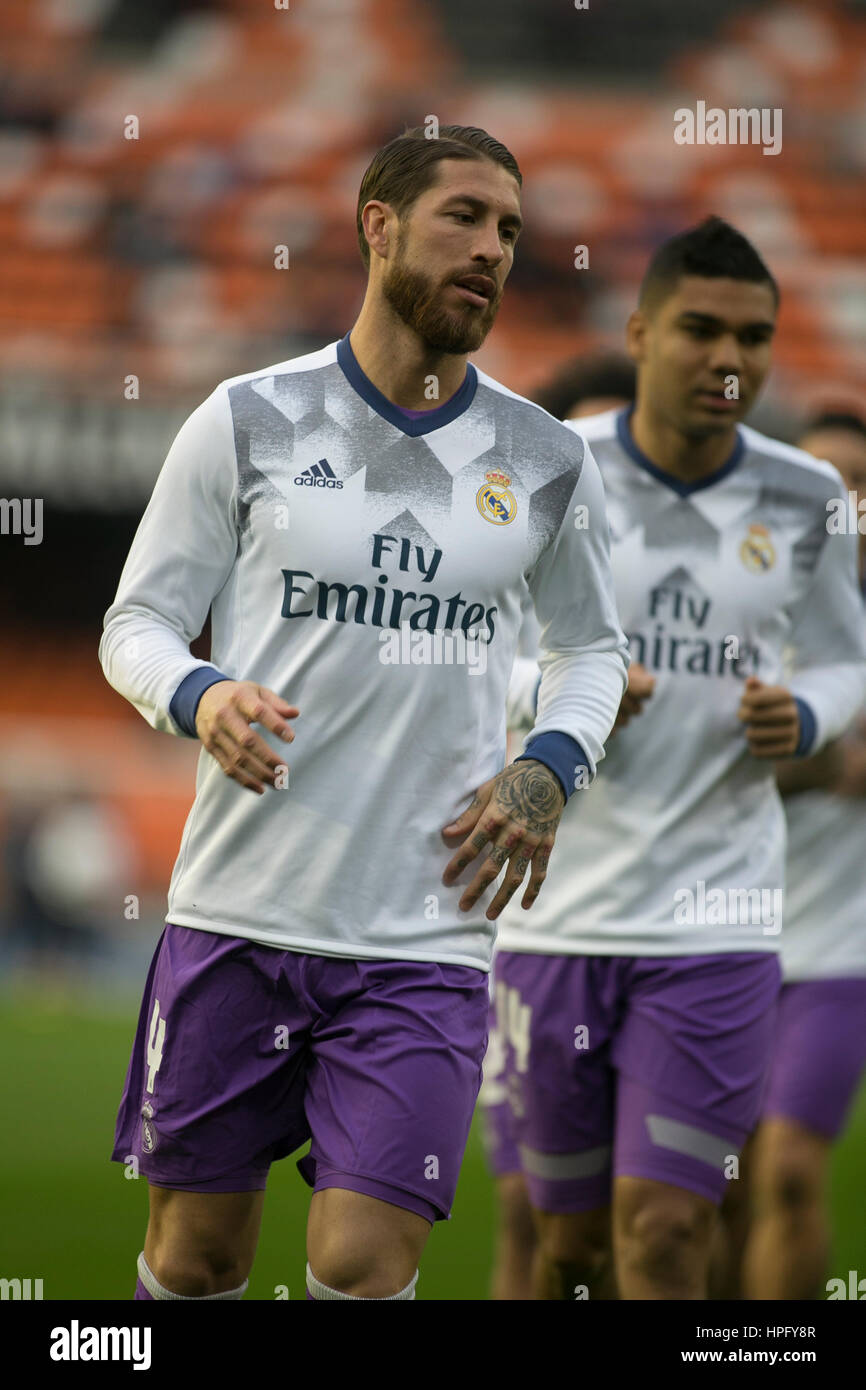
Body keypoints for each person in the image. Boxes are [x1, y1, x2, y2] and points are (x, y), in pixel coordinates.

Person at [98, 124, 629, 1303]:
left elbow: (592, 647)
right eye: (463, 217)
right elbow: (132, 624)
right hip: (239, 912)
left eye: (508, 228)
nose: (492, 247)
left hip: (422, 940)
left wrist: (546, 766)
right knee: (195, 1263)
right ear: (375, 224)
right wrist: (200, 691)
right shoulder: (249, 418)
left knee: (360, 1261)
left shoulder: (540, 460)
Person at [490, 217, 866, 1300]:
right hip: (556, 919)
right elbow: (485, 657)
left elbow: (846, 662)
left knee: (663, 1233)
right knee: (566, 1247)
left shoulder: (801, 496)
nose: (728, 359)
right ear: (641, 331)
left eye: (753, 337)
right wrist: (571, 693)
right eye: (699, 330)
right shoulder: (552, 470)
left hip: (716, 923)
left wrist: (802, 713)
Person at [479, 351, 636, 1301]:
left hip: (672, 932)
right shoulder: (505, 557)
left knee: (662, 1219)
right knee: (536, 1218)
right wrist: (567, 700)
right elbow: (459, 666)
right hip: (533, 936)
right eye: (588, 446)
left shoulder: (665, 582)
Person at [717, 410, 866, 1300]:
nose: (843, 499)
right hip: (717, 944)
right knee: (712, 1190)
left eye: (858, 481)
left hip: (838, 950)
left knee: (788, 1175)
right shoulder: (740, 615)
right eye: (824, 477)